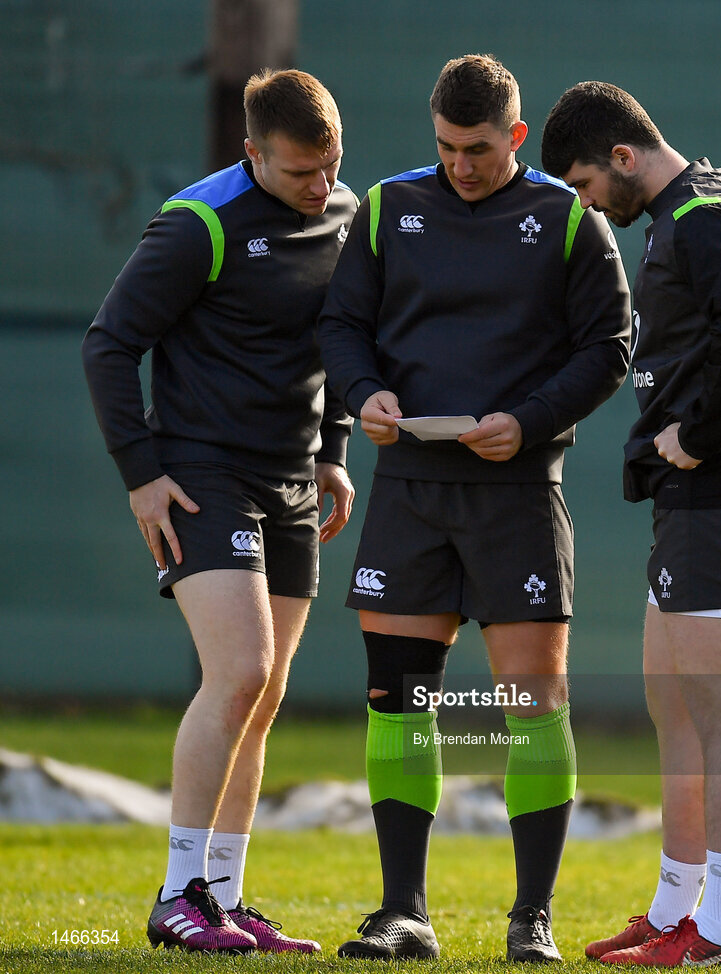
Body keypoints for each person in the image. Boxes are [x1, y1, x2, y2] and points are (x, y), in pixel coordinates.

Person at [317, 55, 631, 962]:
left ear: (517, 137)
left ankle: (530, 920)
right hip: (410, 490)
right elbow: (341, 326)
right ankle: (401, 913)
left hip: (518, 492)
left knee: (530, 703)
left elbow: (610, 346)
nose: (461, 164)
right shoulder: (384, 207)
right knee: (397, 699)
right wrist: (364, 393)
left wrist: (528, 421)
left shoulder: (567, 219)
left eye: (480, 149)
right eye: (447, 147)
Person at [82, 68, 357, 954]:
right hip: (203, 472)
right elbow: (109, 344)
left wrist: (333, 454)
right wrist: (140, 472)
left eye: (330, 166)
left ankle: (227, 900)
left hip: (290, 478)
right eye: (298, 174)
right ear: (251, 155)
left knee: (266, 692)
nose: (319, 188)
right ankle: (176, 897)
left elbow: (342, 337)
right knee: (238, 672)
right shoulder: (198, 223)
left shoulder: (347, 213)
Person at [541, 82, 721, 967]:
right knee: (674, 704)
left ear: (622, 156)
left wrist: (694, 434)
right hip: (697, 490)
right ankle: (671, 912)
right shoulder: (692, 202)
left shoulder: (699, 212)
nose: (587, 207)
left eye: (584, 186)